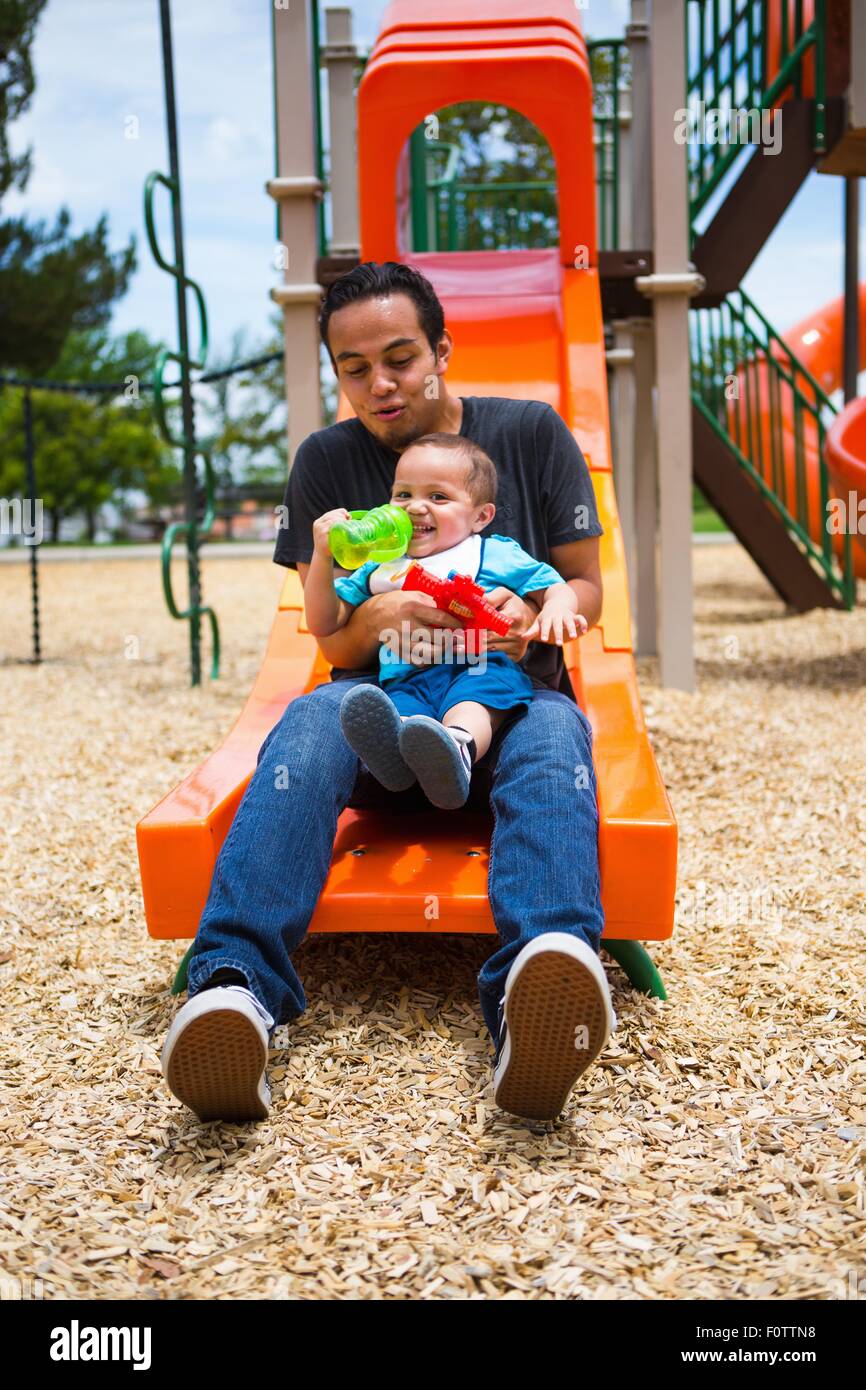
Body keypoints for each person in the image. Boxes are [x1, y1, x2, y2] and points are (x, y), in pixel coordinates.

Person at [160, 260, 617, 1127]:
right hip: (382, 721)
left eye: (400, 358)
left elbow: (587, 589)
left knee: (559, 732)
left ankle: (542, 981)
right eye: (355, 368)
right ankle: (233, 990)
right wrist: (385, 612)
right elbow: (330, 638)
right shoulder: (326, 464)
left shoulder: (530, 433)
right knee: (310, 715)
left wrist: (532, 612)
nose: (380, 384)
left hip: (505, 705)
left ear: (442, 349)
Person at [305, 432, 588, 810]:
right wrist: (323, 559)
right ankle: (398, 757)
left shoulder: (492, 552)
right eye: (403, 494)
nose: (415, 507)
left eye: (437, 497)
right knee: (401, 713)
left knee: (474, 701)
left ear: (481, 516)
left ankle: (458, 748)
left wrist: (556, 608)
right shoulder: (380, 566)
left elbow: (555, 586)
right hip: (408, 674)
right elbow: (324, 622)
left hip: (480, 666)